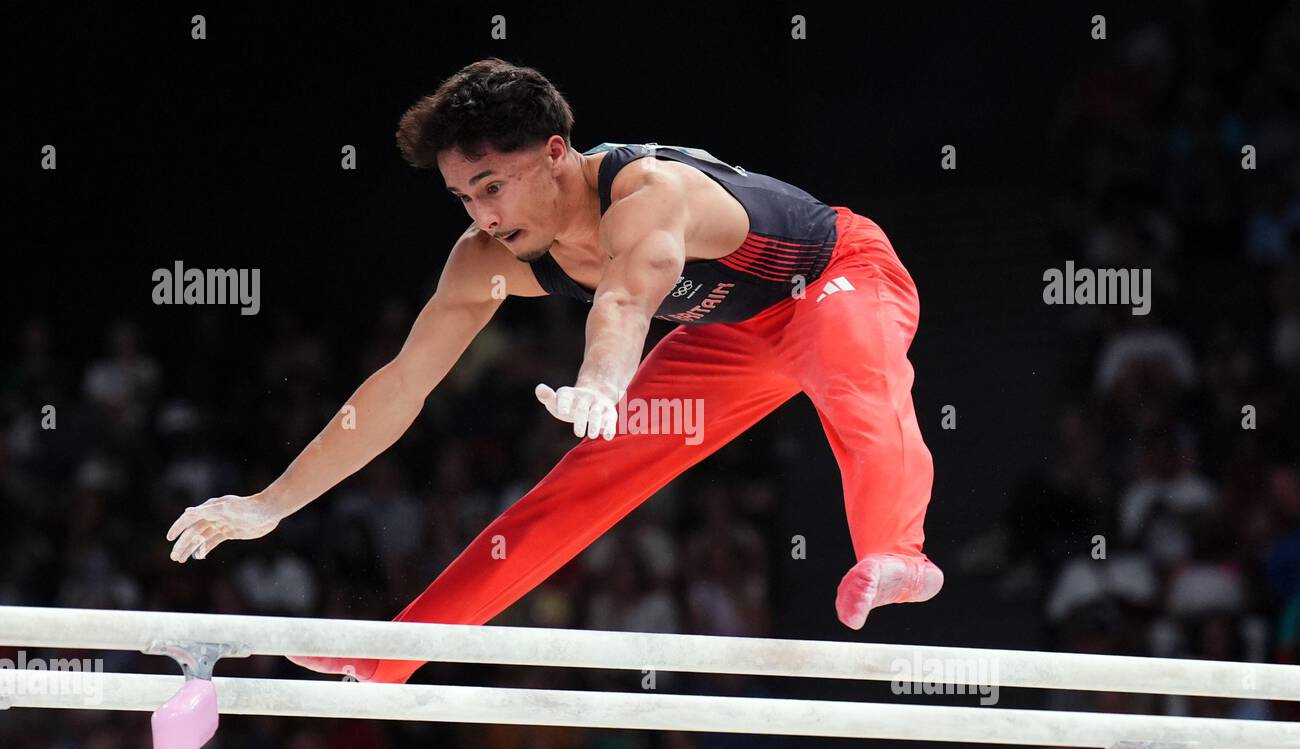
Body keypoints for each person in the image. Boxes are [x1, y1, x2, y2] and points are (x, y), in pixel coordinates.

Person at [165, 58, 943, 683]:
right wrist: (271, 502)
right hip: (733, 334)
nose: (482, 216)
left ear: (554, 154)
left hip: (835, 274)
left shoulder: (647, 194)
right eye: (462, 196)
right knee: (578, 486)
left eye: (492, 186)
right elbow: (401, 387)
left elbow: (625, 301)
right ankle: (387, 653)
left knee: (855, 378)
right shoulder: (483, 260)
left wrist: (603, 383)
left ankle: (897, 553)